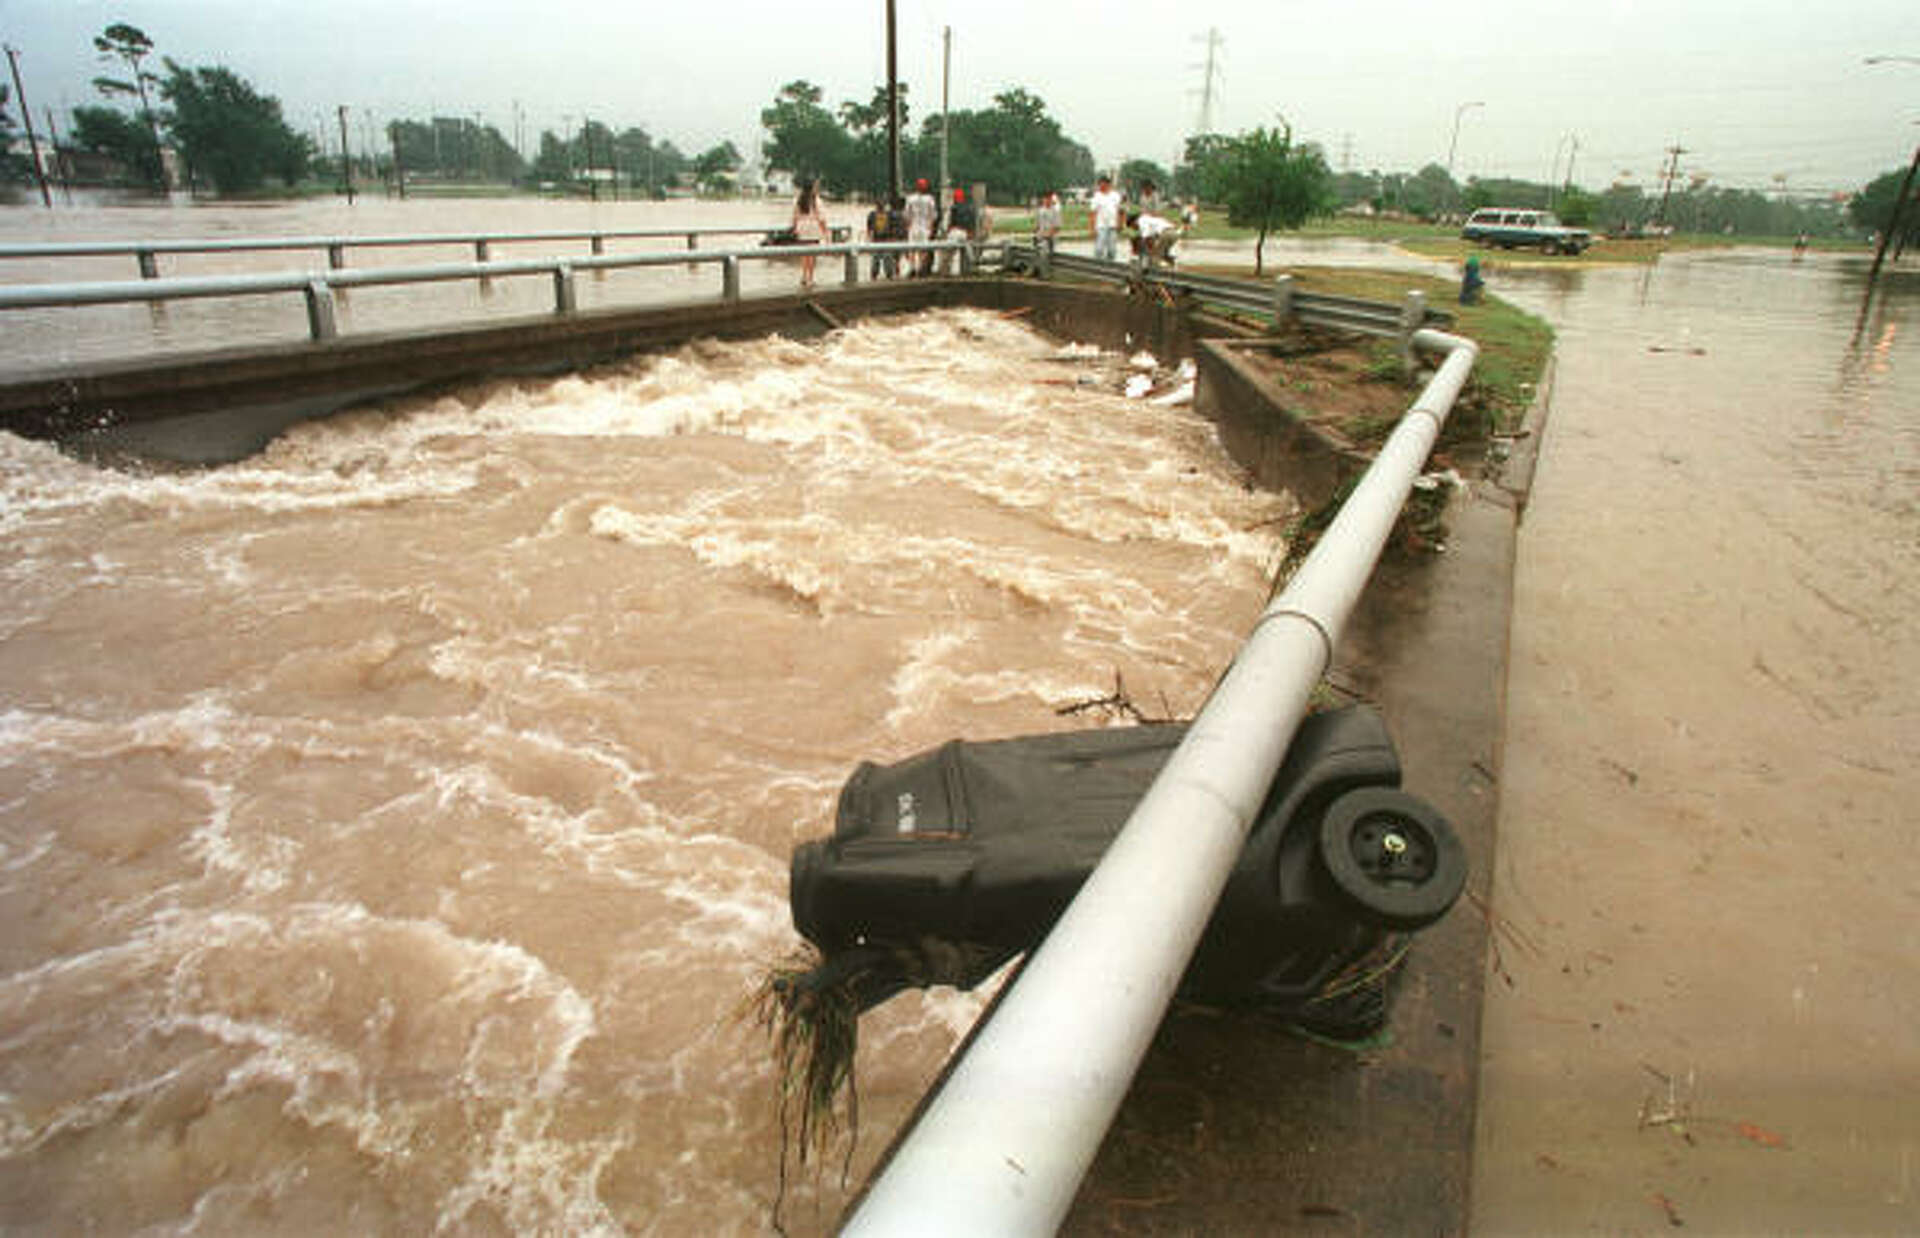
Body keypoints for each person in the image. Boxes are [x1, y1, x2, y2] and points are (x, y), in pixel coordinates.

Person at [791, 180, 829, 289]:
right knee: (812, 255)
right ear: (812, 188)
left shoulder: (798, 200)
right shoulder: (816, 200)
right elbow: (821, 218)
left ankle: (803, 276)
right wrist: (825, 232)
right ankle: (810, 278)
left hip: (802, 227)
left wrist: (794, 228)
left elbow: (794, 216)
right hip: (813, 227)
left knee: (804, 254)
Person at [905, 177, 938, 277]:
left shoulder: (910, 198)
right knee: (923, 250)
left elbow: (907, 215)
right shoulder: (930, 199)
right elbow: (933, 215)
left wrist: (908, 226)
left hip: (914, 226)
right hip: (924, 227)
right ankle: (920, 268)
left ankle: (913, 268)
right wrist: (931, 228)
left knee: (912, 249)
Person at [941, 187, 977, 275]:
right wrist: (971, 233)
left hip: (955, 232)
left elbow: (949, 224)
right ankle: (965, 271)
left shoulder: (954, 208)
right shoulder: (970, 208)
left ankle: (946, 272)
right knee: (965, 255)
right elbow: (972, 223)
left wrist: (945, 233)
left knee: (948, 254)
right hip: (965, 233)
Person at [1089, 175, 1123, 263]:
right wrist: (1092, 229)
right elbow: (1093, 213)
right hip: (1101, 226)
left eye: (1102, 184)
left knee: (1112, 250)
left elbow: (1120, 211)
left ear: (1108, 184)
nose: (1100, 186)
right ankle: (1097, 266)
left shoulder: (1116, 196)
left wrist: (1120, 223)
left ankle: (1111, 267)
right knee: (1099, 248)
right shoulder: (1096, 196)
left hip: (1113, 226)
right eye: (1099, 184)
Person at [866, 195, 896, 279]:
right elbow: (869, 228)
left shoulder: (889, 215)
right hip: (876, 239)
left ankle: (889, 275)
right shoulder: (872, 215)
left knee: (888, 258)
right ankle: (874, 275)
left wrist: (893, 239)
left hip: (887, 239)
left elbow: (893, 227)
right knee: (875, 259)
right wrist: (869, 238)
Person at [1033, 190, 1062, 259]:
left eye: (1049, 199)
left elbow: (1057, 227)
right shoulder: (1040, 211)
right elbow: (1037, 225)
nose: (1047, 200)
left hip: (1049, 238)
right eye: (1046, 198)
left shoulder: (1055, 211)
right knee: (1037, 254)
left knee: (1048, 255)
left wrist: (1049, 234)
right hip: (1040, 237)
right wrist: (1036, 232)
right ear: (1043, 199)